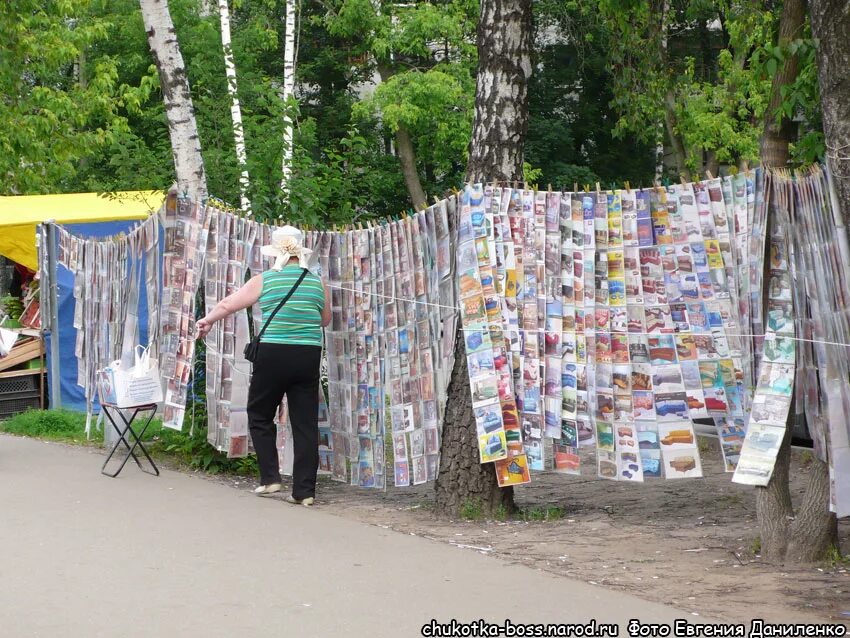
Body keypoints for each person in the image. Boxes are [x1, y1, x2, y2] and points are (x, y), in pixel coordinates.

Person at [197, 226, 331, 506]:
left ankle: (270, 478)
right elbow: (324, 320)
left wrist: (207, 320)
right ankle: (305, 492)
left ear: (276, 254)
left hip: (272, 354)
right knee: (305, 424)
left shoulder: (265, 280)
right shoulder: (318, 283)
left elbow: (229, 304)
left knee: (259, 414)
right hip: (308, 355)